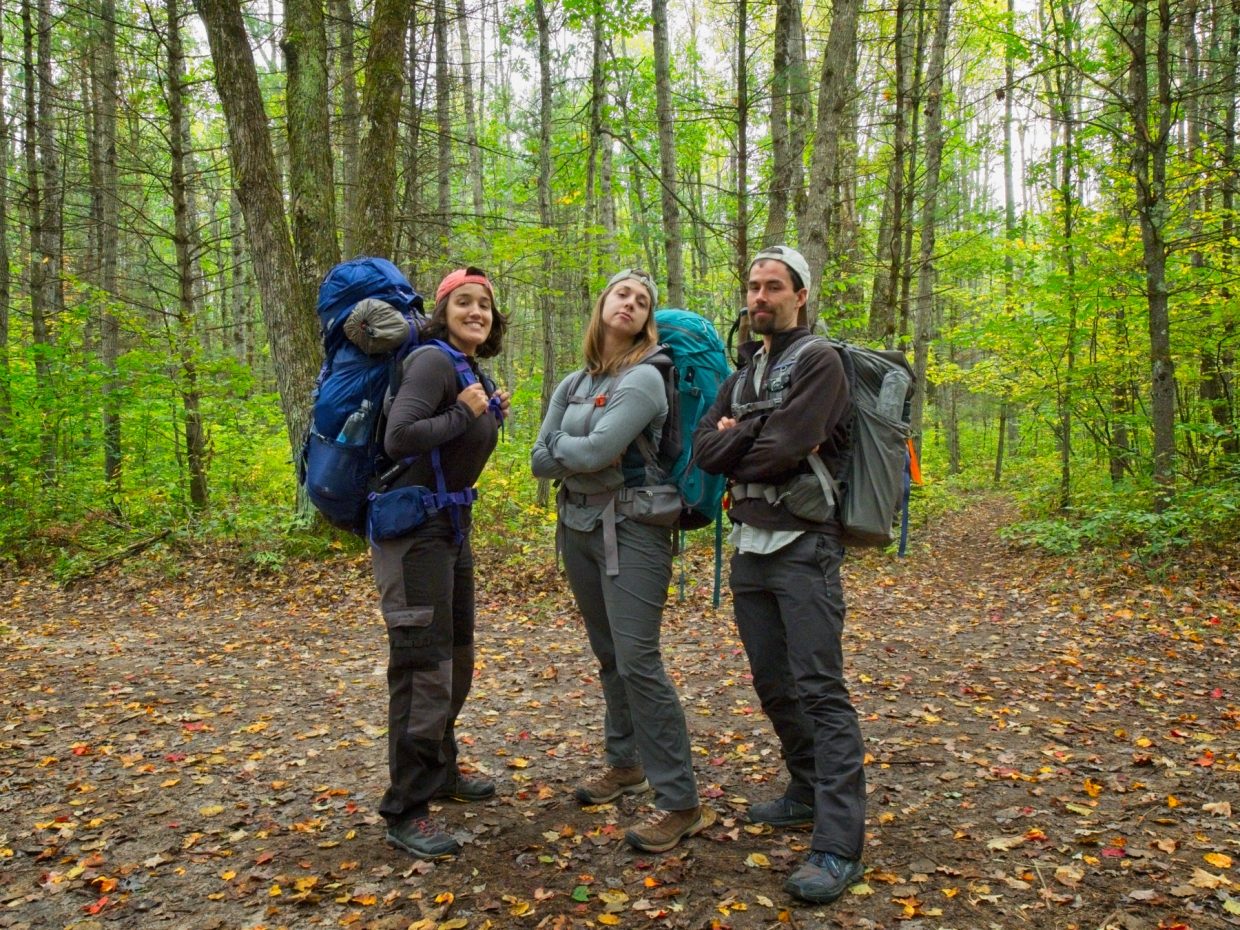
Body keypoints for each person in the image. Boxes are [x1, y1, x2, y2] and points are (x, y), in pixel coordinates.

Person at [691, 246, 866, 904]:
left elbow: (784, 448)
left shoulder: (820, 361)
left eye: (773, 287)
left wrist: (743, 435)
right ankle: (805, 787)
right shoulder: (745, 371)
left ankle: (839, 843)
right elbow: (704, 450)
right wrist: (753, 432)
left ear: (800, 295)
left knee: (820, 687)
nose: (759, 297)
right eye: (753, 286)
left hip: (804, 545)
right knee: (772, 680)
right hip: (750, 545)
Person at [531, 269, 715, 854]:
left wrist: (568, 450)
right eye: (621, 294)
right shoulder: (575, 381)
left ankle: (681, 801)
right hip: (578, 526)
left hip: (634, 530)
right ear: (603, 304)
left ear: (647, 320)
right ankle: (625, 764)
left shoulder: (645, 379)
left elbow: (594, 451)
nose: (630, 303)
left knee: (638, 660)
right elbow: (538, 460)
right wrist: (574, 453)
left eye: (641, 301)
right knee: (609, 654)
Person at [372, 267, 510, 859]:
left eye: (485, 305)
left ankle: (441, 770)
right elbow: (399, 438)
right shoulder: (432, 361)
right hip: (415, 535)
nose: (476, 312)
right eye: (464, 302)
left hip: (450, 528)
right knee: (422, 667)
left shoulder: (468, 368)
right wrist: (463, 414)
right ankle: (406, 808)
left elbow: (453, 441)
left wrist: (483, 410)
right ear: (443, 310)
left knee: (456, 658)